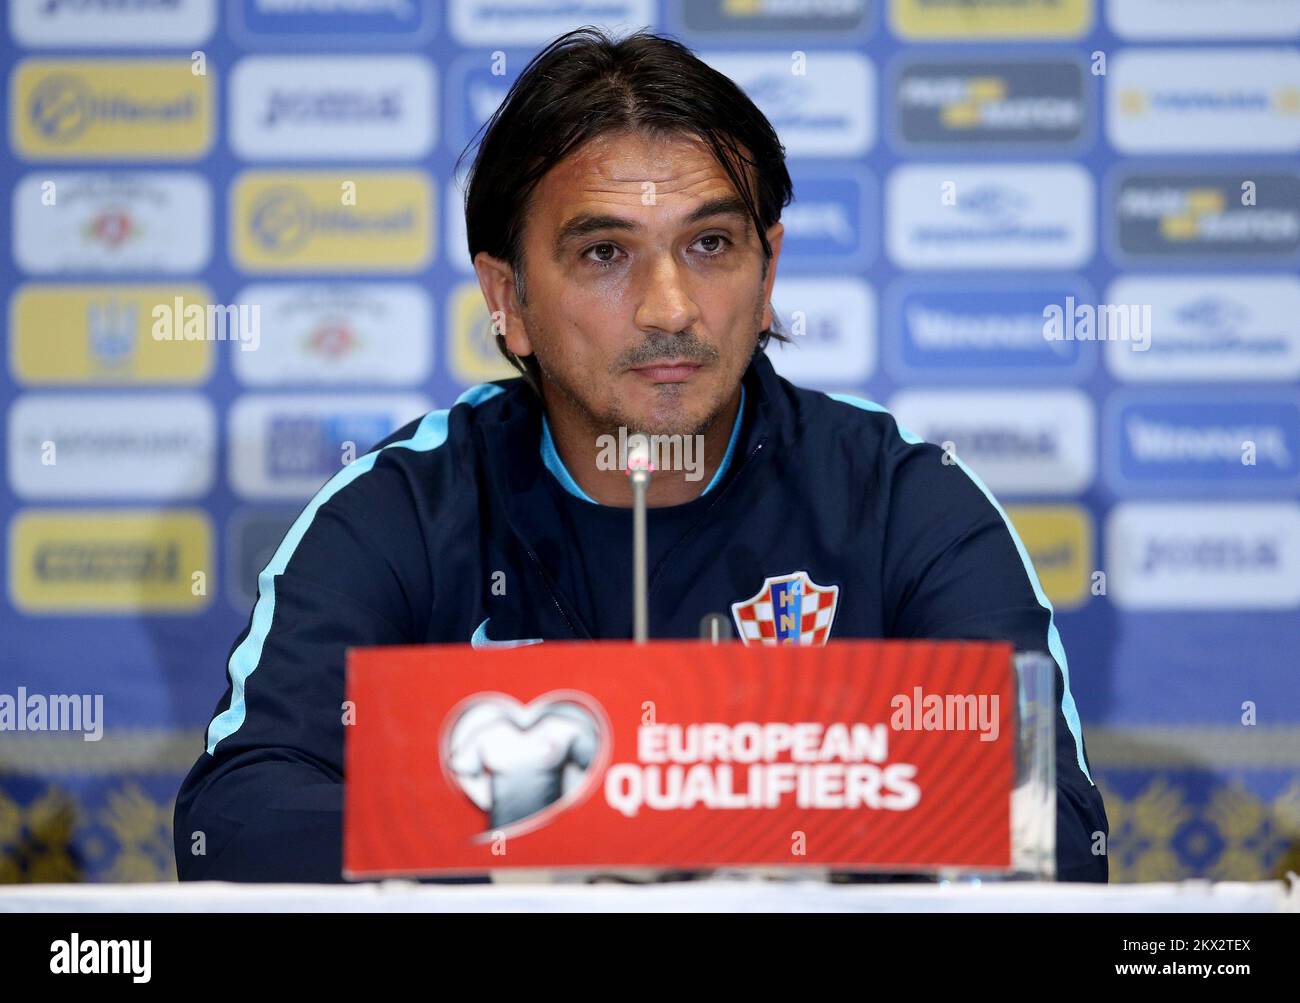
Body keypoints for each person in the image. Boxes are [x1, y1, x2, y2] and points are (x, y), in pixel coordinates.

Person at [174, 27, 1108, 883]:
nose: (670, 308)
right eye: (604, 255)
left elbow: (1053, 835)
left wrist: (629, 822)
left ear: (769, 266)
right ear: (506, 298)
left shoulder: (904, 501)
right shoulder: (400, 511)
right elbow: (236, 821)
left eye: (710, 244)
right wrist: (615, 836)